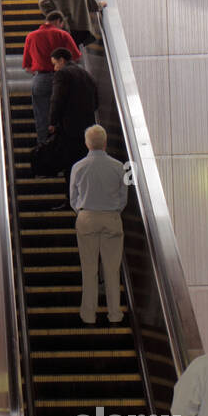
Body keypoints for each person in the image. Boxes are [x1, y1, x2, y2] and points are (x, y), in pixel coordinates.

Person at [69, 125, 128, 325]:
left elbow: (73, 197)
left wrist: (82, 211)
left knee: (89, 268)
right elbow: (123, 197)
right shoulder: (120, 166)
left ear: (87, 143)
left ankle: (88, 314)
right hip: (111, 218)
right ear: (105, 142)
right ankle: (114, 314)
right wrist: (113, 210)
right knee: (112, 269)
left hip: (87, 218)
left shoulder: (78, 167)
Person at [46, 48, 98, 206]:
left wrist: (52, 122)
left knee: (70, 164)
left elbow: (57, 99)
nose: (54, 68)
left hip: (70, 128)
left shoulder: (62, 74)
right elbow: (96, 101)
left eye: (55, 64)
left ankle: (71, 200)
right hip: (88, 127)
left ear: (62, 60)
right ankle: (85, 198)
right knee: (84, 163)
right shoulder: (85, 74)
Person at [23, 11, 80, 144]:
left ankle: (43, 149)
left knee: (42, 117)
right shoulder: (63, 34)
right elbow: (76, 58)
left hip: (40, 80)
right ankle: (64, 150)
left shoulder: (31, 36)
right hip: (63, 79)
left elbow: (27, 66)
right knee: (65, 115)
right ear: (59, 21)